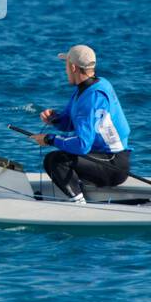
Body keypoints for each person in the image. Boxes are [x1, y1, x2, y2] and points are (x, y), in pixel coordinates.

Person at [31, 45, 131, 203]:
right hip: (103, 158)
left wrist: (49, 139)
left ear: (73, 67)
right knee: (62, 156)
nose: (65, 71)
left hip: (112, 164)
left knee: (54, 160)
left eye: (66, 66)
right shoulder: (90, 87)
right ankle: (79, 191)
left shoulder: (91, 98)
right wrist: (55, 119)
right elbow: (70, 122)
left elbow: (82, 145)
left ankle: (78, 203)